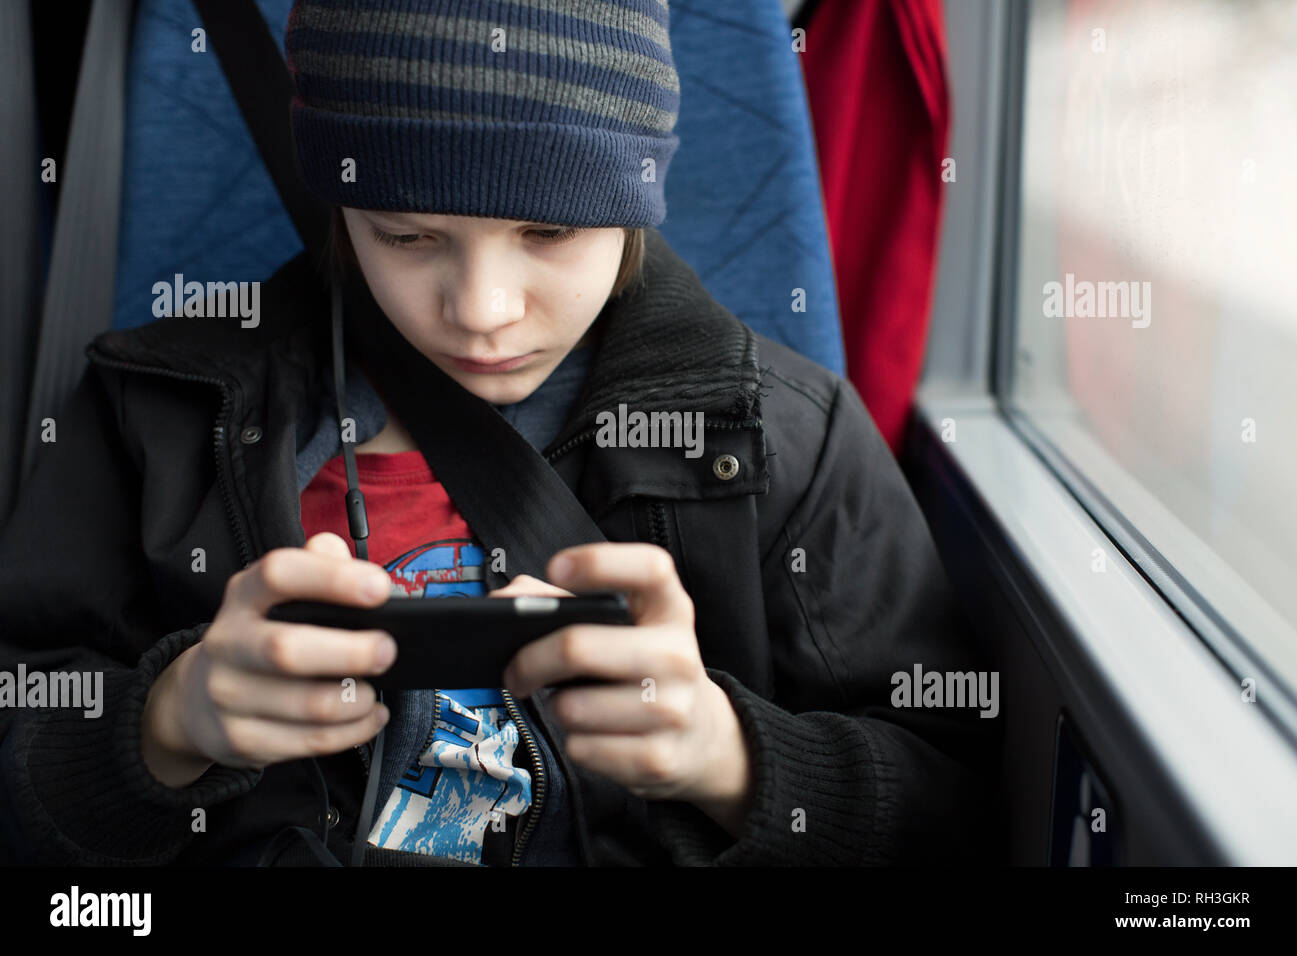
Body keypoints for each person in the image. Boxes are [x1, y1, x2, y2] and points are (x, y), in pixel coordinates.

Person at [0, 0, 993, 866]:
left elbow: (954, 810)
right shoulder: (156, 411)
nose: (480, 310)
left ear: (636, 202)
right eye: (406, 235)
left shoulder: (784, 439)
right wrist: (167, 724)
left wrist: (728, 756)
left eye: (548, 232)